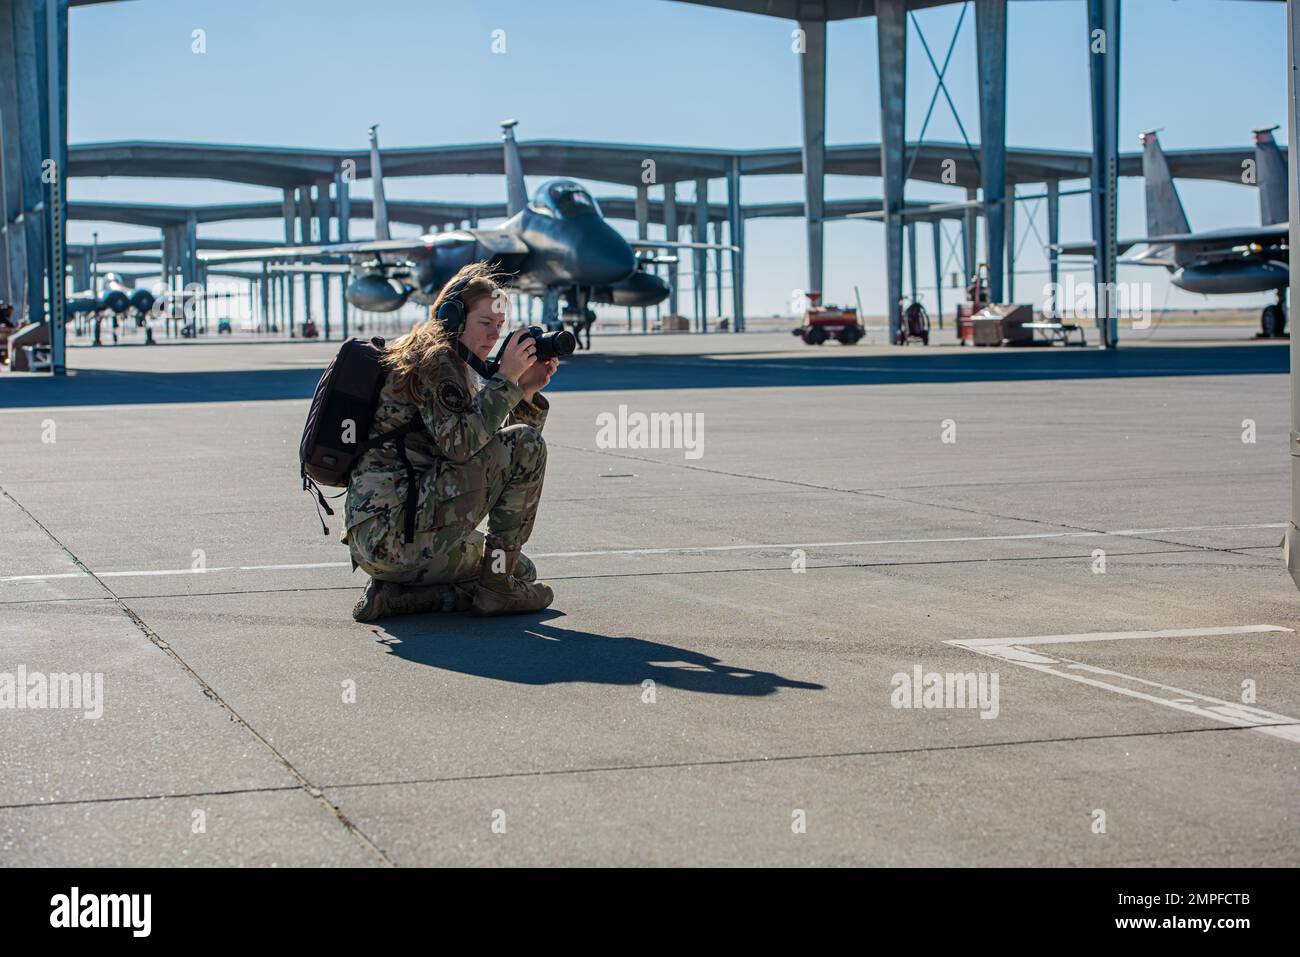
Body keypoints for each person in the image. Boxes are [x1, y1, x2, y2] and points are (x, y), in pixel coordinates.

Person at [344, 261, 559, 621]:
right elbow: (467, 447)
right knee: (501, 568)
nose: (494, 336)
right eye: (485, 324)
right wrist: (506, 380)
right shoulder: (434, 361)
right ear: (452, 318)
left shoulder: (455, 365)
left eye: (500, 327)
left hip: (390, 538)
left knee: (518, 568)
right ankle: (496, 591)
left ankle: (402, 598)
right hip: (396, 530)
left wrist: (523, 390)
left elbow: (489, 451)